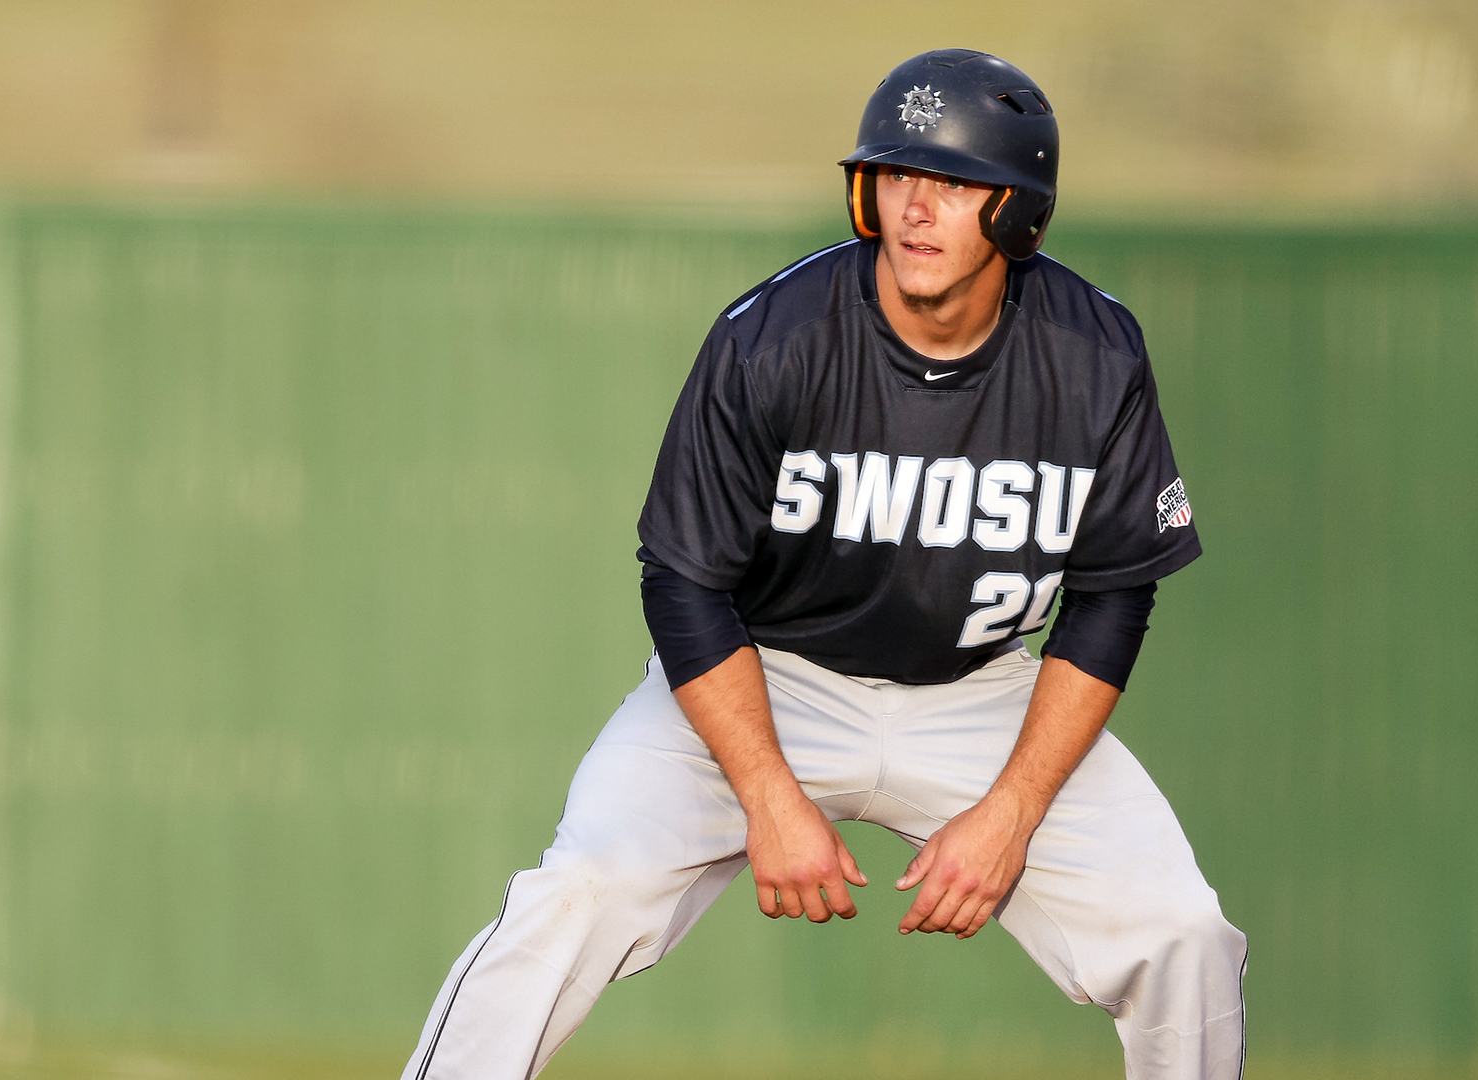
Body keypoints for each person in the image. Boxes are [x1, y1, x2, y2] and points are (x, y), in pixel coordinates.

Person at [400, 48, 1247, 1080]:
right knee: (580, 890)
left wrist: (1014, 812)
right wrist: (766, 795)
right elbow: (684, 582)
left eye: (953, 183)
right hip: (767, 677)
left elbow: (1114, 595)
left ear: (1019, 213)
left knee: (1181, 934)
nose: (915, 209)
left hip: (982, 693)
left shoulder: (1094, 356)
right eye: (897, 176)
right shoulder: (774, 340)